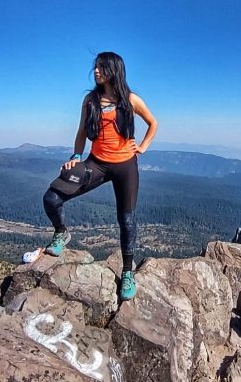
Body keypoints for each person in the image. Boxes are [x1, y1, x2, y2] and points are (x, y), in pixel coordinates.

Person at [23, 52, 158, 301]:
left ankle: (127, 272)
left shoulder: (130, 99)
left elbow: (153, 123)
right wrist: (76, 156)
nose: (96, 71)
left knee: (127, 219)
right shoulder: (90, 100)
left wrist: (142, 147)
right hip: (96, 163)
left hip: (125, 165)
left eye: (102, 67)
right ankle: (61, 233)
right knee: (52, 197)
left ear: (114, 70)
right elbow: (82, 132)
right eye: (95, 67)